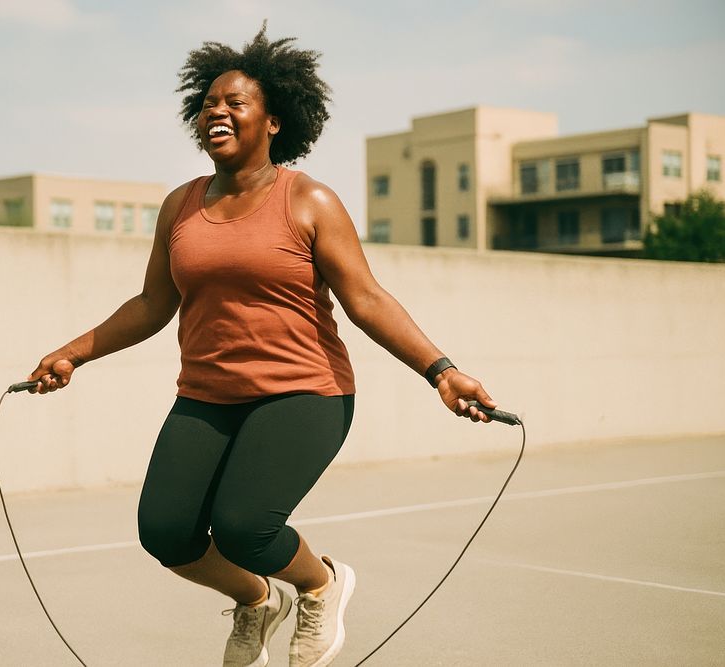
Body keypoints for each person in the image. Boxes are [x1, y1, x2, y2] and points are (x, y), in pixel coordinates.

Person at [27, 25, 497, 667]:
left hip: (304, 392)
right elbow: (153, 306)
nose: (216, 112)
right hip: (208, 396)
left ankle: (320, 584)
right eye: (208, 104)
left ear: (274, 120)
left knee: (246, 527)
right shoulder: (181, 206)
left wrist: (441, 371)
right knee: (166, 533)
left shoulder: (308, 200)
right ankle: (257, 601)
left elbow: (366, 299)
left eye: (235, 103)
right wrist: (72, 352)